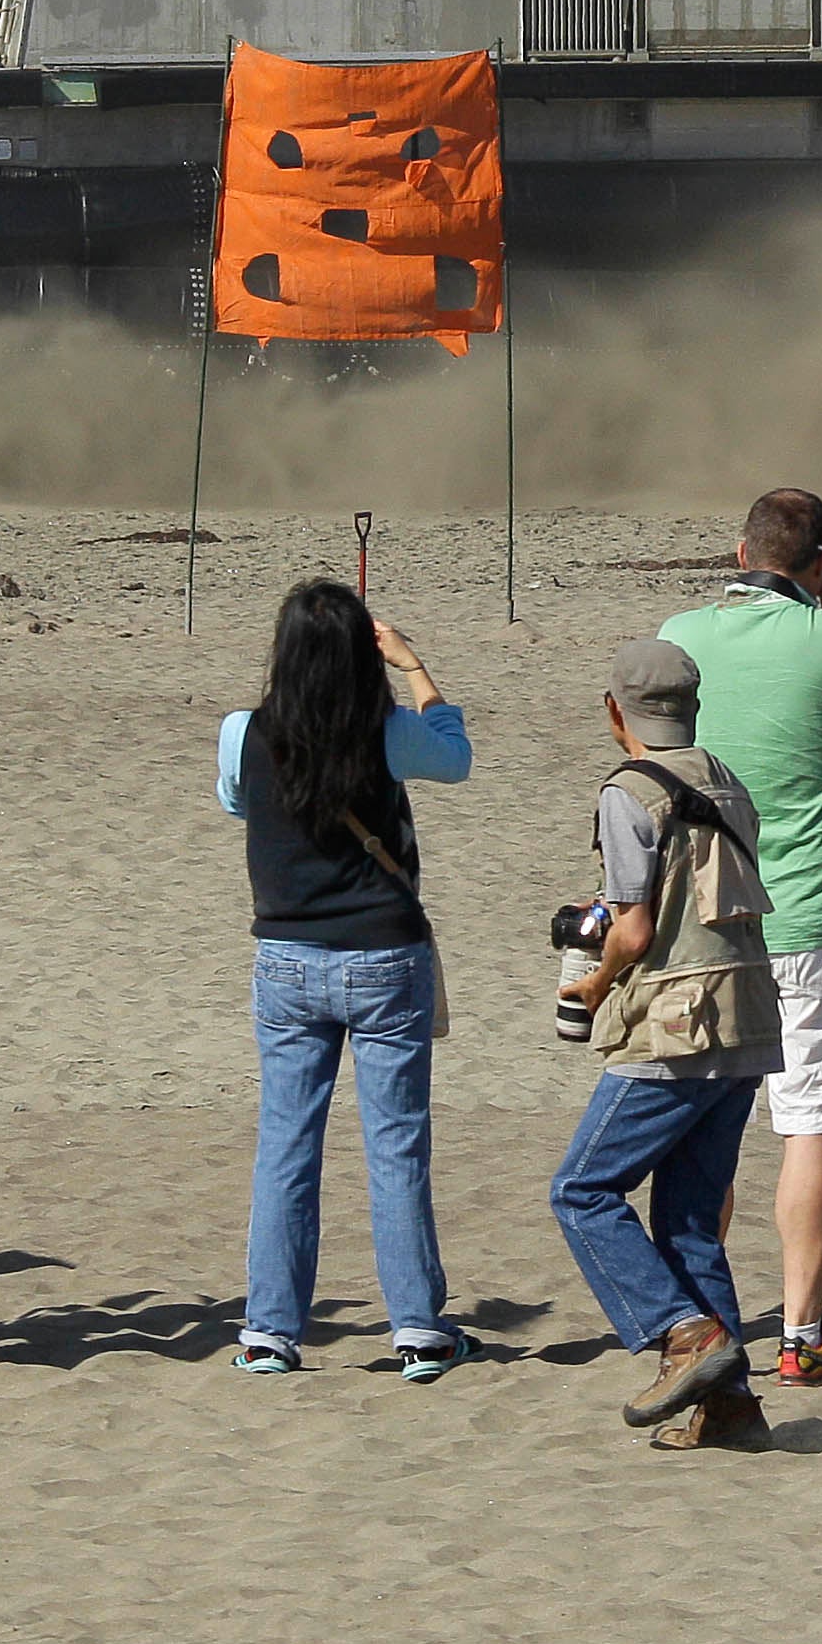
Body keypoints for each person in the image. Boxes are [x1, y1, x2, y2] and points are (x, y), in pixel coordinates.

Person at [659, 486, 822, 1388]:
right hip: (814, 914)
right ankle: (800, 1333)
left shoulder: (680, 635)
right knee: (808, 1126)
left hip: (710, 914)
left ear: (740, 553)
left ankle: (700, 1324)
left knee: (710, 1129)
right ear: (820, 562)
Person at [216, 580, 473, 1381]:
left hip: (288, 957)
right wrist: (414, 666)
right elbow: (454, 755)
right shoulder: (390, 728)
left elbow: (236, 803)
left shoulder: (243, 732)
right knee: (395, 1146)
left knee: (286, 1146)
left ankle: (270, 1329)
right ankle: (418, 1330)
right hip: (382, 956)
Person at [553, 637, 785, 1450]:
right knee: (688, 1219)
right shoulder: (724, 775)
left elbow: (637, 927)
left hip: (678, 1025)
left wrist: (593, 981)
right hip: (750, 1018)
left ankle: (685, 1335)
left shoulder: (629, 791)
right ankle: (732, 1408)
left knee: (581, 1190)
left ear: (617, 711)